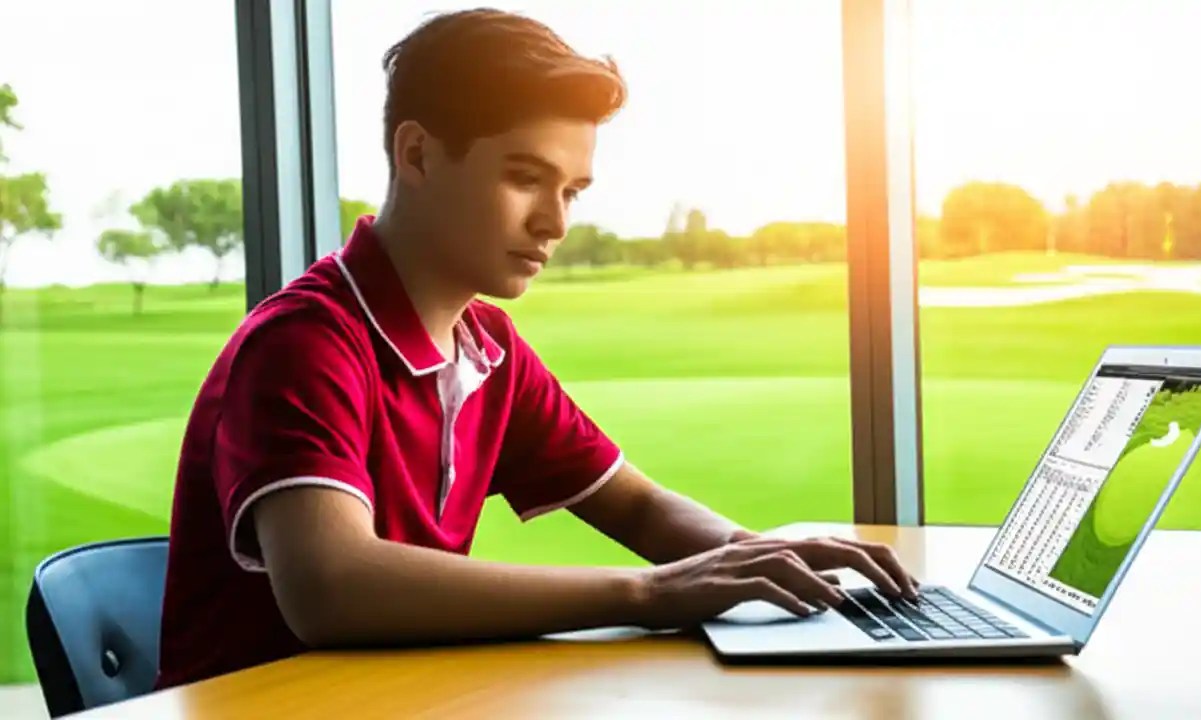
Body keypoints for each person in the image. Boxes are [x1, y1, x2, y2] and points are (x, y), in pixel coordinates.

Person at [155, 7, 919, 690]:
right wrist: (648, 595)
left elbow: (642, 508)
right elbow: (331, 587)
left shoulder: (487, 347)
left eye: (573, 191)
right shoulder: (306, 343)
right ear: (417, 155)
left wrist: (759, 557)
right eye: (526, 178)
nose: (555, 222)